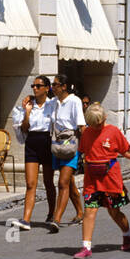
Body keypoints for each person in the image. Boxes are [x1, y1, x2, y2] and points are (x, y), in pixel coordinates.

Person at [72, 101, 130, 259]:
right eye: (92, 125)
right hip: (92, 179)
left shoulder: (113, 131)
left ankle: (128, 234)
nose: (95, 127)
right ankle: (86, 247)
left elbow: (125, 151)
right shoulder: (87, 133)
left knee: (114, 211)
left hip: (110, 178)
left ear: (105, 118)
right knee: (90, 211)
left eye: (98, 124)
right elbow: (83, 152)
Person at [9, 75, 56, 231]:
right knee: (30, 184)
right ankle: (26, 219)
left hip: (47, 142)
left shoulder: (52, 104)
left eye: (38, 86)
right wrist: (27, 113)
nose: (35, 88)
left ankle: (51, 214)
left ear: (46, 88)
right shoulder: (28, 105)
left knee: (49, 182)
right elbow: (24, 129)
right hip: (32, 143)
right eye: (33, 86)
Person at [46, 75, 86, 231]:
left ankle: (57, 218)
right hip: (57, 144)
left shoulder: (74, 101)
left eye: (55, 85)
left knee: (62, 182)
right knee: (69, 182)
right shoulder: (55, 102)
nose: (52, 88)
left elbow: (81, 125)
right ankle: (80, 212)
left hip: (71, 145)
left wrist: (87, 150)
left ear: (64, 86)